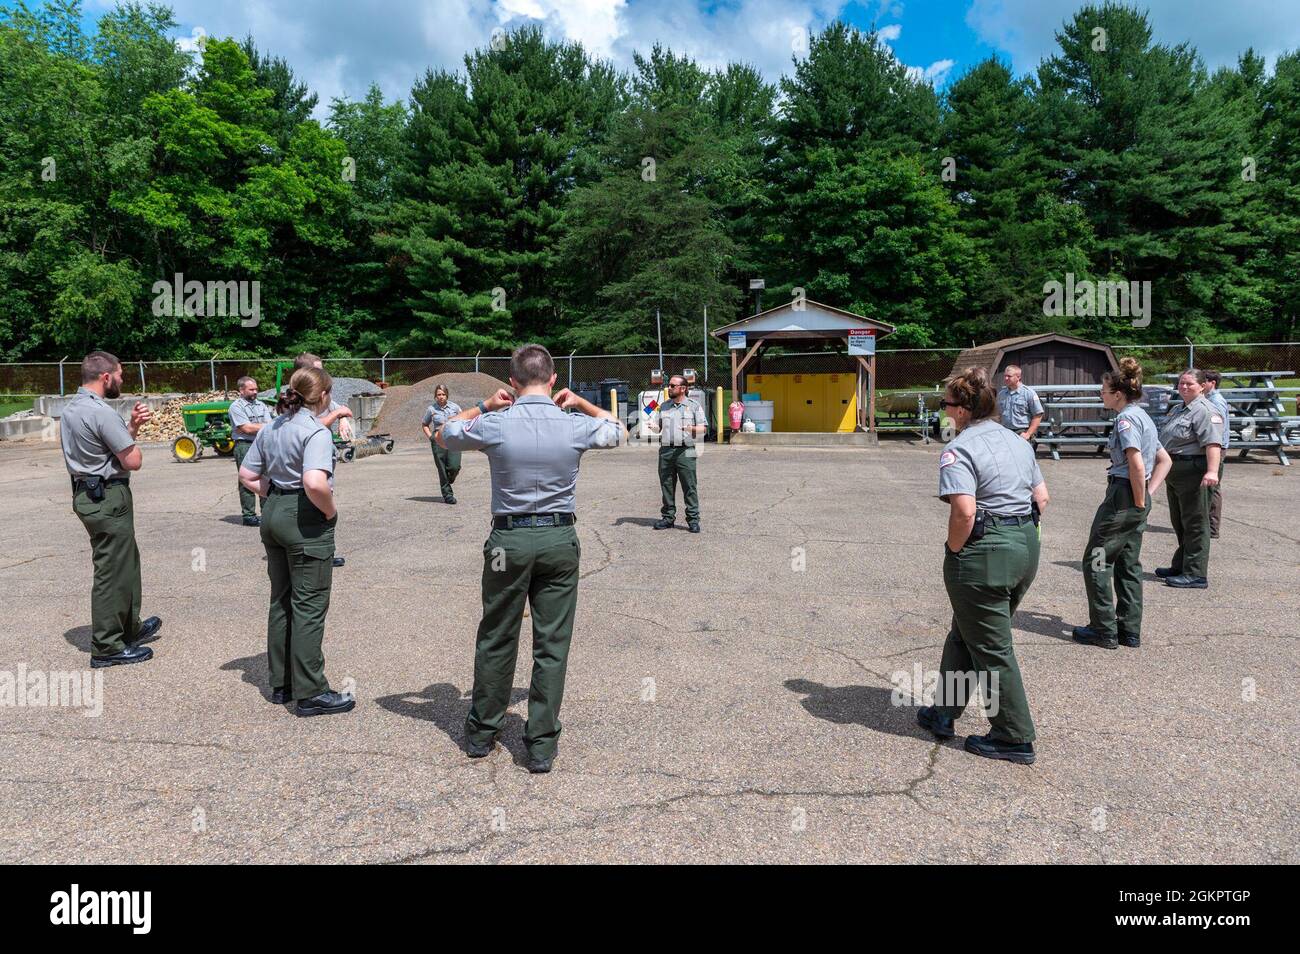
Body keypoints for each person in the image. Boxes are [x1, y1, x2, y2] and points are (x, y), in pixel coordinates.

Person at [439, 344, 623, 774]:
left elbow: (444, 433)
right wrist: (582, 404)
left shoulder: (496, 423)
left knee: (497, 634)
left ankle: (483, 731)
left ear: (512, 382)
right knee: (551, 643)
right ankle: (540, 743)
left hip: (510, 539)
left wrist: (482, 406)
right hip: (559, 538)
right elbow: (617, 430)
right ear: (554, 379)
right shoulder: (573, 424)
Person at [916, 367, 1049, 765]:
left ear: (961, 410)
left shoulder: (960, 448)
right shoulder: (1018, 442)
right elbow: (1042, 498)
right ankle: (944, 711)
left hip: (985, 553)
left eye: (946, 405)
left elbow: (965, 511)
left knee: (991, 646)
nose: (944, 411)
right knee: (967, 631)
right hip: (1024, 545)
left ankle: (1013, 734)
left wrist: (955, 550)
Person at [239, 367, 354, 716]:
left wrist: (272, 495)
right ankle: (311, 691)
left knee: (282, 600)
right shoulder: (314, 432)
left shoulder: (272, 427)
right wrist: (330, 513)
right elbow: (315, 483)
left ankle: (282, 683)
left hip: (272, 510)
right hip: (302, 516)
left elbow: (247, 475)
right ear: (321, 396)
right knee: (309, 605)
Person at [60, 351, 162, 667]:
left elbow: (106, 452)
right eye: (119, 374)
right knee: (112, 570)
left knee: (125, 563)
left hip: (90, 493)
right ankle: (106, 647)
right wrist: (130, 436)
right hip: (106, 497)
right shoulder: (100, 412)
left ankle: (128, 628)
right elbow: (132, 460)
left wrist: (130, 426)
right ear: (105, 377)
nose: (121, 379)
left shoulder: (72, 409)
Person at [1072, 358, 1172, 650]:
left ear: (1118, 393)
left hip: (1123, 497)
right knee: (1128, 563)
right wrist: (1147, 496)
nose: (1100, 394)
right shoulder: (1145, 418)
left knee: (1097, 559)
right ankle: (1129, 630)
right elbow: (1164, 460)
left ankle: (1103, 628)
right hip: (1136, 498)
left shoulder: (1127, 419)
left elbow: (1137, 464)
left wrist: (1139, 499)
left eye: (1103, 390)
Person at [1155, 369, 1223, 589]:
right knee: (1180, 521)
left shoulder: (1204, 410)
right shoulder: (1178, 409)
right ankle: (1183, 564)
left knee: (1195, 522)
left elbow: (1213, 443)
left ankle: (1195, 573)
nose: (1183, 387)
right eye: (1181, 383)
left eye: (1189, 384)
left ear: (1202, 386)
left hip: (1195, 471)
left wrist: (1211, 472)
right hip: (1176, 471)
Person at [289, 353, 350, 566]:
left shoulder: (322, 394)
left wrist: (342, 418)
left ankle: (324, 551)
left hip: (320, 461)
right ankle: (313, 552)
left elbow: (340, 408)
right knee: (313, 505)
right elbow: (307, 426)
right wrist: (336, 416)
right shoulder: (290, 398)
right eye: (319, 370)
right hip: (303, 464)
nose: (323, 374)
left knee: (318, 506)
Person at [651, 374, 708, 533]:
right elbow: (658, 428)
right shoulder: (664, 406)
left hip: (686, 450)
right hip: (666, 451)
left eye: (672, 386)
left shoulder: (694, 405)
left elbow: (704, 428)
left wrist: (691, 429)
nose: (669, 388)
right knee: (666, 485)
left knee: (689, 485)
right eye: (669, 385)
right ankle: (668, 518)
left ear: (683, 388)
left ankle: (693, 519)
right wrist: (652, 426)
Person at [228, 376, 270, 526]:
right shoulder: (236, 407)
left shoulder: (261, 405)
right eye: (251, 389)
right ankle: (249, 515)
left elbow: (267, 424)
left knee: (266, 478)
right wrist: (264, 426)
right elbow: (246, 428)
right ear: (241, 390)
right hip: (244, 445)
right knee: (247, 480)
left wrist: (261, 426)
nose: (255, 392)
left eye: (256, 389)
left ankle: (268, 514)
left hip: (262, 444)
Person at [421, 384, 462, 503]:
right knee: (442, 468)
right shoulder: (431, 409)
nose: (441, 397)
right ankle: (448, 495)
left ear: (447, 395)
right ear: (435, 396)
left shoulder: (455, 407)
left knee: (454, 466)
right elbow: (424, 424)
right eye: (439, 394)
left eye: (443, 394)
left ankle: (449, 480)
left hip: (454, 439)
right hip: (438, 440)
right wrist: (431, 438)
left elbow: (464, 419)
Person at [1202, 370, 1231, 539]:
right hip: (1216, 447)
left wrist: (1215, 450)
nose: (1201, 384)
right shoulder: (1210, 400)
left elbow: (1217, 429)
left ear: (1212, 383)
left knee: (1213, 487)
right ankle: (1209, 525)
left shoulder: (1216, 402)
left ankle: (1212, 528)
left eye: (1203, 381)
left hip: (1217, 448)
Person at [996, 365, 1044, 441]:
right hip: (1005, 432)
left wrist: (1028, 434)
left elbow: (1038, 415)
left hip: (1022, 432)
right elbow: (998, 415)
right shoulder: (1002, 394)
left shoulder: (1029, 393)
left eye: (1009, 376)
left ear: (1018, 377)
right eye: (1005, 376)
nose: (1006, 378)